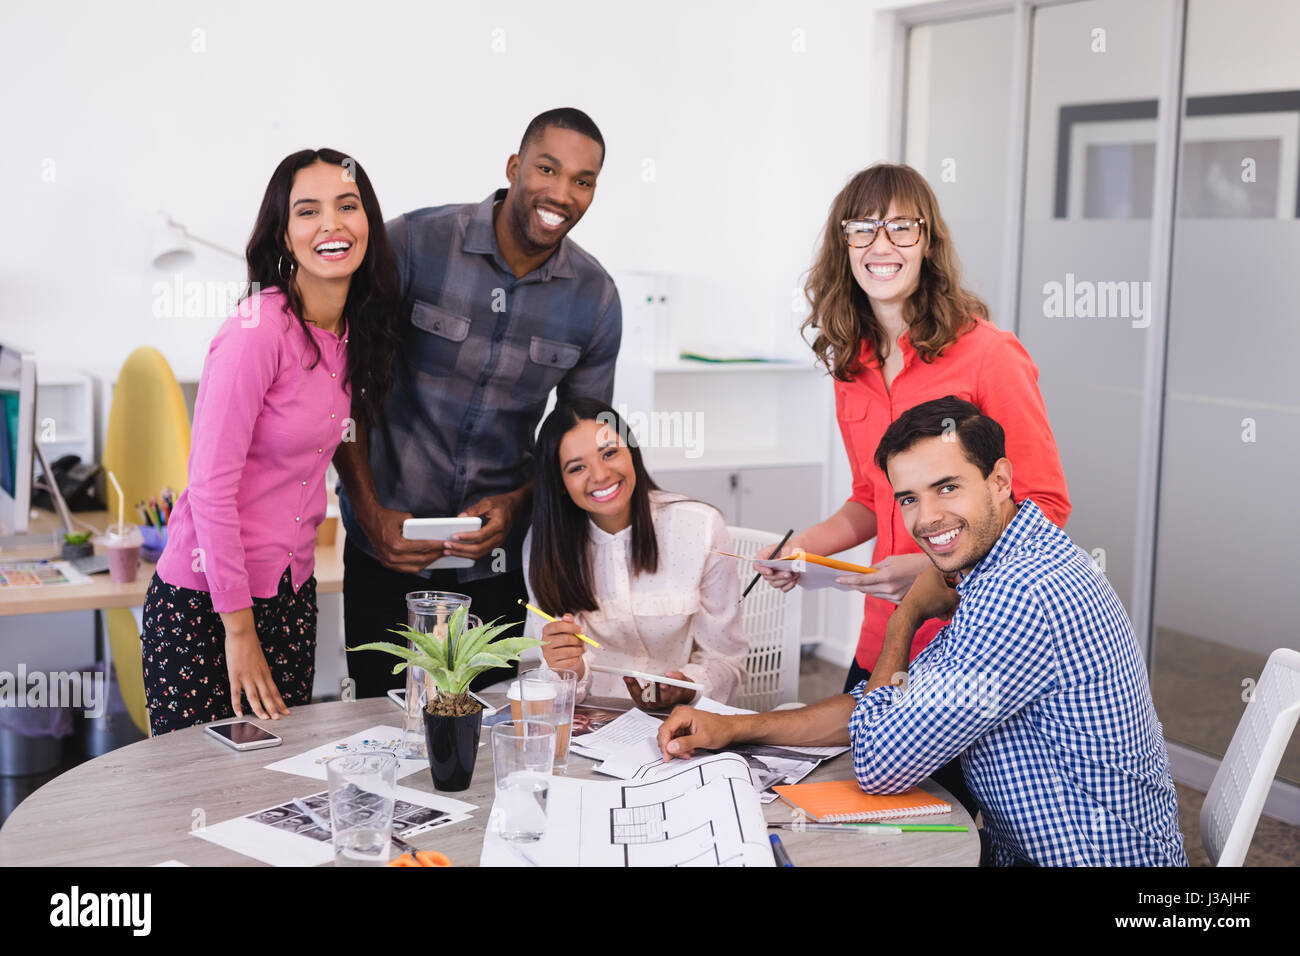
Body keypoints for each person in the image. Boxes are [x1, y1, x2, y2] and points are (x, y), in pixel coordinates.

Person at [658, 398, 1187, 867]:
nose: (928, 518)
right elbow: (883, 703)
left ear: (1000, 480)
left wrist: (907, 614)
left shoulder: (1018, 593)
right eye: (909, 498)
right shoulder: (1006, 563)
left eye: (947, 488)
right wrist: (735, 728)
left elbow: (882, 762)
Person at [757, 163, 1071, 813]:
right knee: (850, 815)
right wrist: (806, 545)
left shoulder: (990, 354)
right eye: (863, 228)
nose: (882, 244)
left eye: (901, 227)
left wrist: (934, 572)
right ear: (843, 246)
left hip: (967, 641)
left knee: (937, 826)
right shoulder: (852, 364)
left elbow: (1044, 504)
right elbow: (873, 497)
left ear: (928, 242)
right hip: (884, 637)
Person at [335, 108, 621, 698]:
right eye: (547, 169)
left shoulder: (595, 299)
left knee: (485, 739)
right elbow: (342, 392)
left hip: (496, 568)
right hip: (386, 552)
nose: (562, 192)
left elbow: (579, 443)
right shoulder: (413, 243)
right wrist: (367, 510)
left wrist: (519, 506)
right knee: (380, 728)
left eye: (583, 180)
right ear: (515, 167)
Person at [142, 148, 401, 734]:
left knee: (272, 794)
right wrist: (239, 630)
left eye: (348, 206)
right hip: (207, 605)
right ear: (284, 236)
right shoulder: (255, 333)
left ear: (369, 224)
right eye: (308, 211)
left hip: (290, 599)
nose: (331, 224)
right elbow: (209, 487)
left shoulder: (353, 334)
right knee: (198, 801)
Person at [522, 398, 747, 708]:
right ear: (560, 484)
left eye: (610, 453)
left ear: (632, 452)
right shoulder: (545, 546)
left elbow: (727, 661)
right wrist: (566, 669)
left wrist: (687, 685)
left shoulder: (701, 526)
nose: (600, 475)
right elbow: (558, 692)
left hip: (684, 718)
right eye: (577, 468)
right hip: (595, 720)